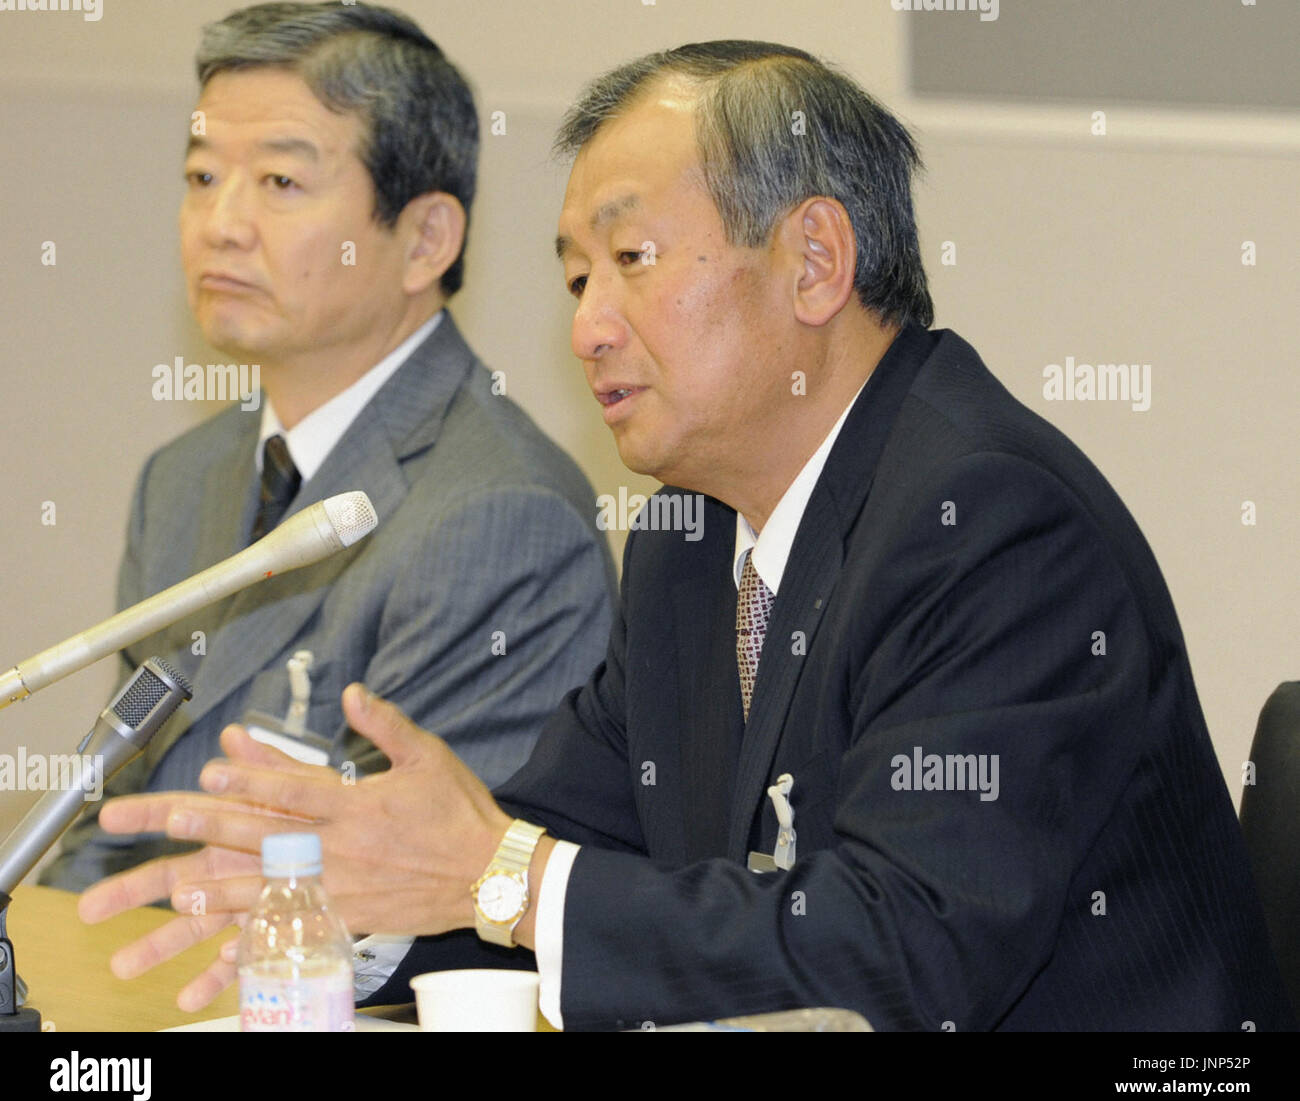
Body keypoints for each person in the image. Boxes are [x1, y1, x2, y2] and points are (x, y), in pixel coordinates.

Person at [80, 40, 1293, 1031]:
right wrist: (361, 891)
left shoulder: (989, 523)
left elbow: (900, 957)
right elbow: (564, 855)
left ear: (813, 261)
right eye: (575, 279)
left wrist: (503, 874)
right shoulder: (687, 537)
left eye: (632, 259)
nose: (588, 326)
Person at [45, 1, 614, 916]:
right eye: (201, 176)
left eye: (280, 181)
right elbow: (107, 817)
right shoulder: (182, 478)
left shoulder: (507, 516)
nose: (221, 223)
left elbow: (411, 903)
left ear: (425, 240)